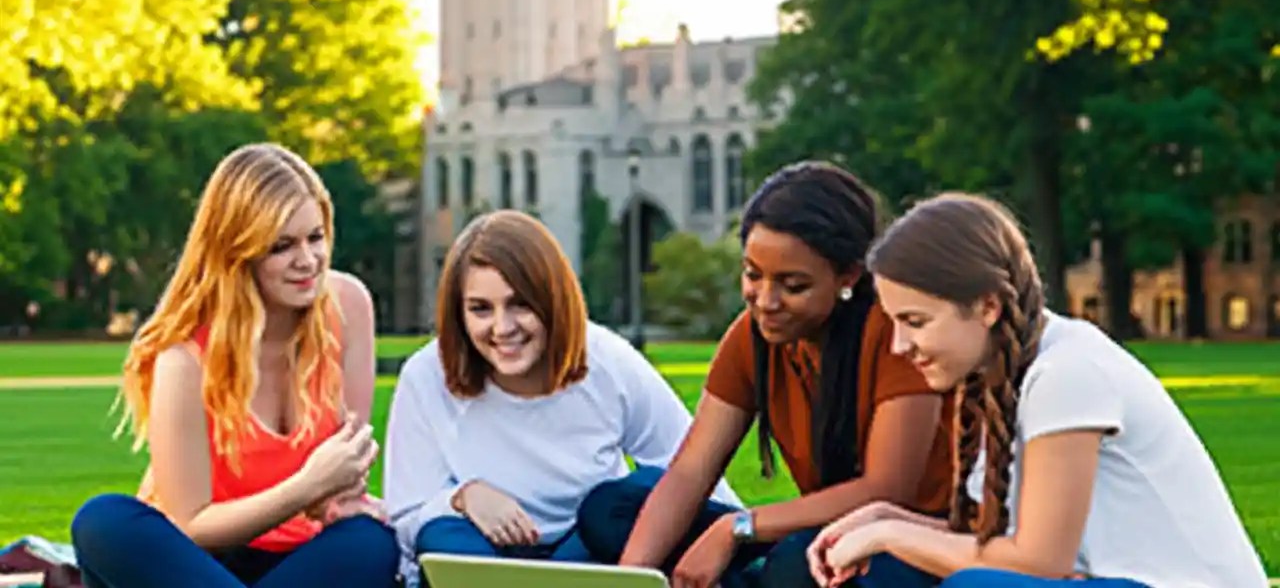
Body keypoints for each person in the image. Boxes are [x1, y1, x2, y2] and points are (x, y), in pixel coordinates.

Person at [809, 192, 1269, 588]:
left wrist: (888, 534)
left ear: (987, 305)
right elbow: (1004, 546)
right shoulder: (1002, 372)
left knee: (977, 585)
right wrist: (885, 518)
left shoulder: (1066, 372)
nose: (899, 346)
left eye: (915, 322)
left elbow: (1036, 563)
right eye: (894, 322)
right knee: (894, 569)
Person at [576, 161, 954, 588]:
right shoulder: (752, 335)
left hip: (909, 542)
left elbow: (885, 489)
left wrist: (736, 529)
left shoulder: (893, 334)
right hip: (818, 528)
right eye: (753, 275)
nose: (766, 301)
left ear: (848, 276)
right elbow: (691, 471)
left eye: (793, 286)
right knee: (611, 511)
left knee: (792, 568)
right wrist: (634, 578)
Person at [70, 143, 399, 588]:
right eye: (282, 246)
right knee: (102, 521)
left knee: (369, 541)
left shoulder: (349, 307)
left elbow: (343, 480)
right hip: (196, 562)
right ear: (237, 253)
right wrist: (306, 488)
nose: (308, 260)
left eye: (315, 237)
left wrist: (339, 497)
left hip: (303, 561)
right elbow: (191, 527)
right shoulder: (185, 357)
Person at [383, 209, 739, 587]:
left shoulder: (606, 361)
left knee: (625, 499)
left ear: (551, 300)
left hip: (586, 551)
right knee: (440, 533)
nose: (503, 328)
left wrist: (735, 534)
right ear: (459, 313)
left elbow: (693, 471)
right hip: (487, 554)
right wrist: (462, 498)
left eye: (520, 304)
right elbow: (407, 516)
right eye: (481, 309)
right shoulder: (426, 376)